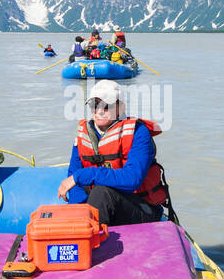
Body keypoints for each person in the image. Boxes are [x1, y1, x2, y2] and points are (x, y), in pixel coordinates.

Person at [56, 79, 170, 226]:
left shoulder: (139, 133)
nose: (99, 110)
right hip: (102, 204)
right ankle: (80, 234)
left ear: (120, 107)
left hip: (141, 207)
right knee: (87, 199)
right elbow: (74, 178)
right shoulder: (83, 136)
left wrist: (86, 175)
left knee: (101, 193)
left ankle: (94, 242)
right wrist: (77, 211)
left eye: (106, 106)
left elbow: (132, 180)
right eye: (94, 104)